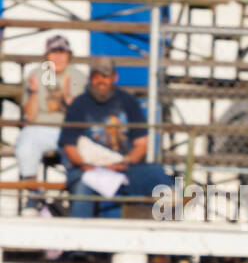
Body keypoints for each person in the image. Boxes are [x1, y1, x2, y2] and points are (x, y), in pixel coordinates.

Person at [58, 56, 171, 218]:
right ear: (91, 79)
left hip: (123, 166)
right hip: (88, 169)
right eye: (97, 77)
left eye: (105, 76)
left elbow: (141, 143)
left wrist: (125, 162)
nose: (101, 81)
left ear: (114, 78)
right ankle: (78, 239)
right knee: (82, 189)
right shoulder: (79, 104)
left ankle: (167, 233)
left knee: (157, 174)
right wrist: (87, 166)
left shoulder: (128, 102)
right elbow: (69, 145)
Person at [15, 35, 86, 206]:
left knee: (74, 154)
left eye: (62, 52)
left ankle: (74, 199)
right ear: (47, 55)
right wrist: (32, 93)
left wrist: (69, 101)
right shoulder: (37, 74)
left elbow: (81, 114)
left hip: (68, 127)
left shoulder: (77, 76)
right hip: (39, 127)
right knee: (25, 147)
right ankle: (34, 198)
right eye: (54, 52)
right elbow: (29, 116)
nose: (58, 56)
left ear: (69, 55)